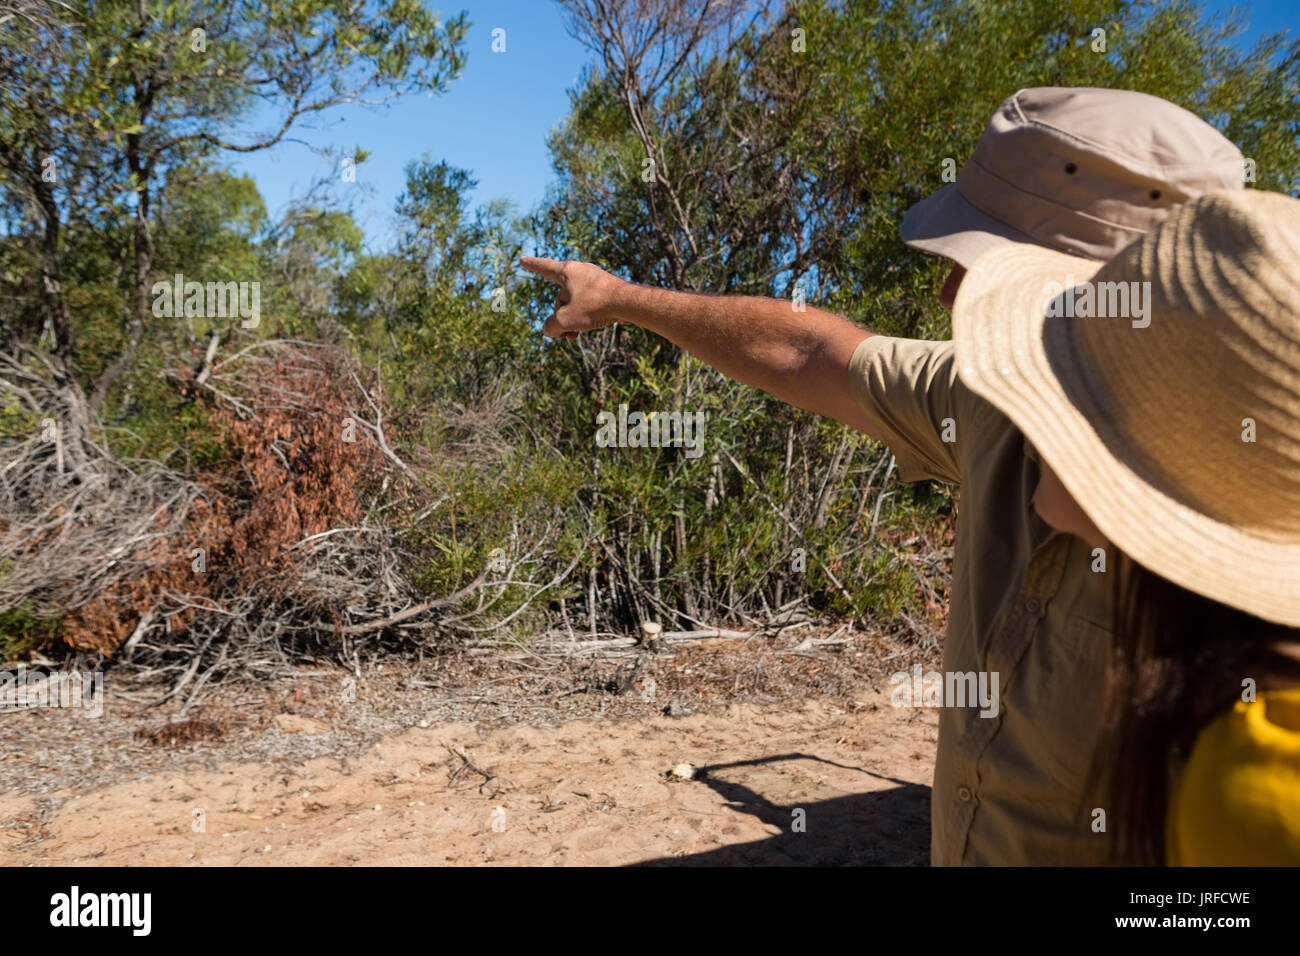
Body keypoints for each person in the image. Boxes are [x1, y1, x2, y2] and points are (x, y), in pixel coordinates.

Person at [520, 87, 1254, 864]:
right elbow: (811, 352)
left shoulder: (1261, 545)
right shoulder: (988, 399)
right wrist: (620, 298)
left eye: (993, 270)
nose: (946, 293)